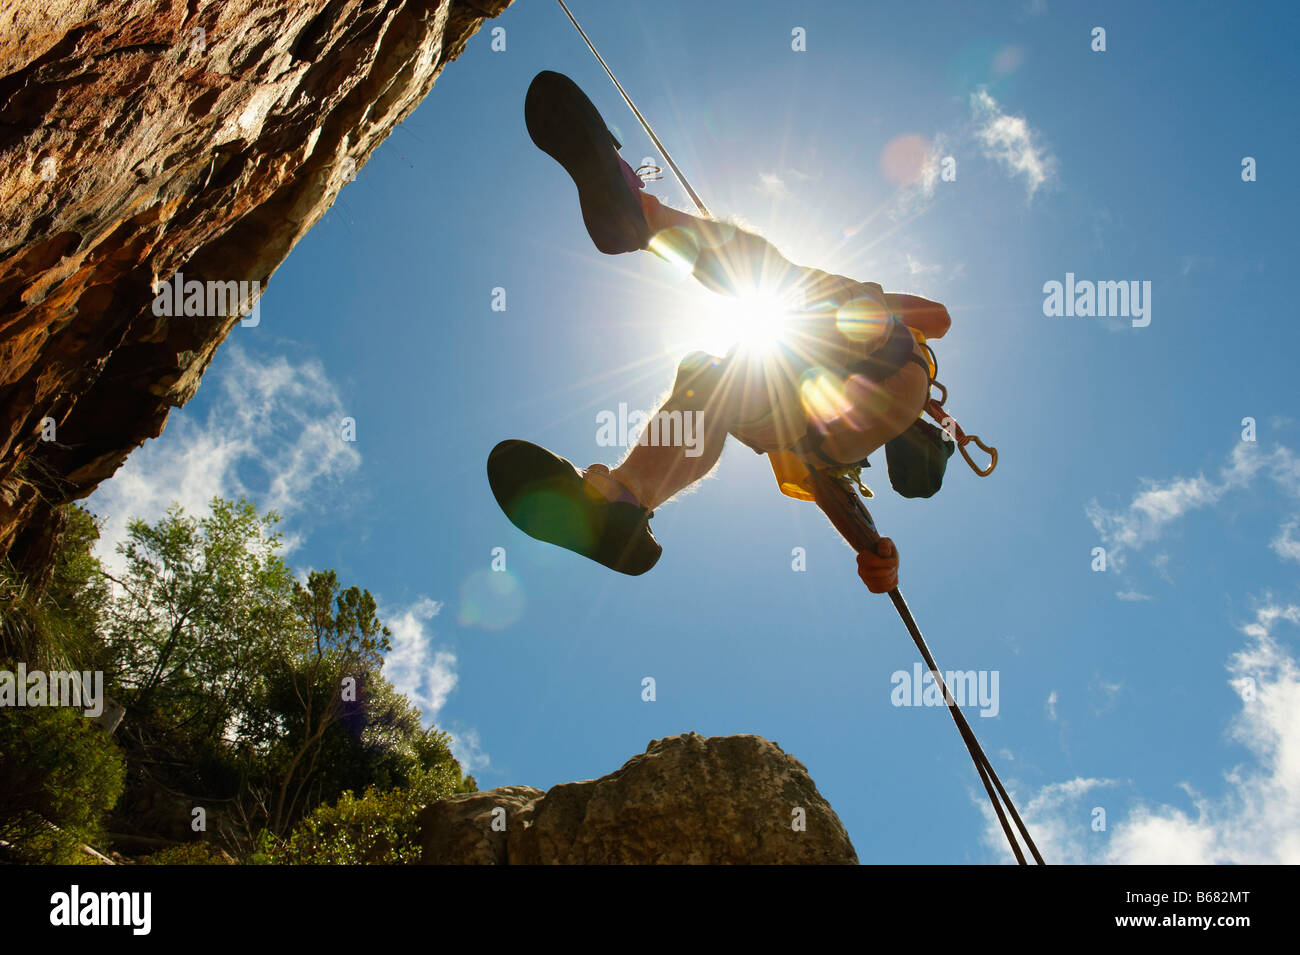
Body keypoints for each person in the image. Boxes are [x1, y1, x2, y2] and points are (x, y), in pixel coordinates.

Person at [488, 71, 953, 591]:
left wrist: (869, 298)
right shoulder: (832, 445)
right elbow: (830, 489)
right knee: (710, 379)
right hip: (812, 427)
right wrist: (873, 555)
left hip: (880, 371)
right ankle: (621, 503)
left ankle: (642, 217)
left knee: (794, 291)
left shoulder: (887, 354)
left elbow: (938, 317)